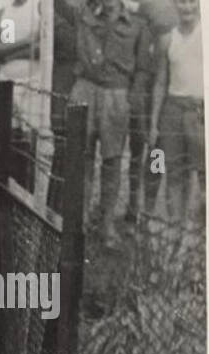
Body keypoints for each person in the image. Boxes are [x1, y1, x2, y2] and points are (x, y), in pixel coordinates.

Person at [60, 0, 149, 243]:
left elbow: (142, 69)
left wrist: (131, 100)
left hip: (117, 95)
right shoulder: (83, 13)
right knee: (82, 157)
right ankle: (81, 220)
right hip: (85, 88)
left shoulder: (137, 24)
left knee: (112, 160)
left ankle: (107, 224)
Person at [149, 0, 203, 223]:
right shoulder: (167, 39)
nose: (187, 8)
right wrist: (154, 122)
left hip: (200, 112)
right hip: (172, 110)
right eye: (182, 2)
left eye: (192, 2)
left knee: (204, 173)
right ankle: (176, 229)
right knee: (173, 172)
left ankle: (199, 238)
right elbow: (161, 81)